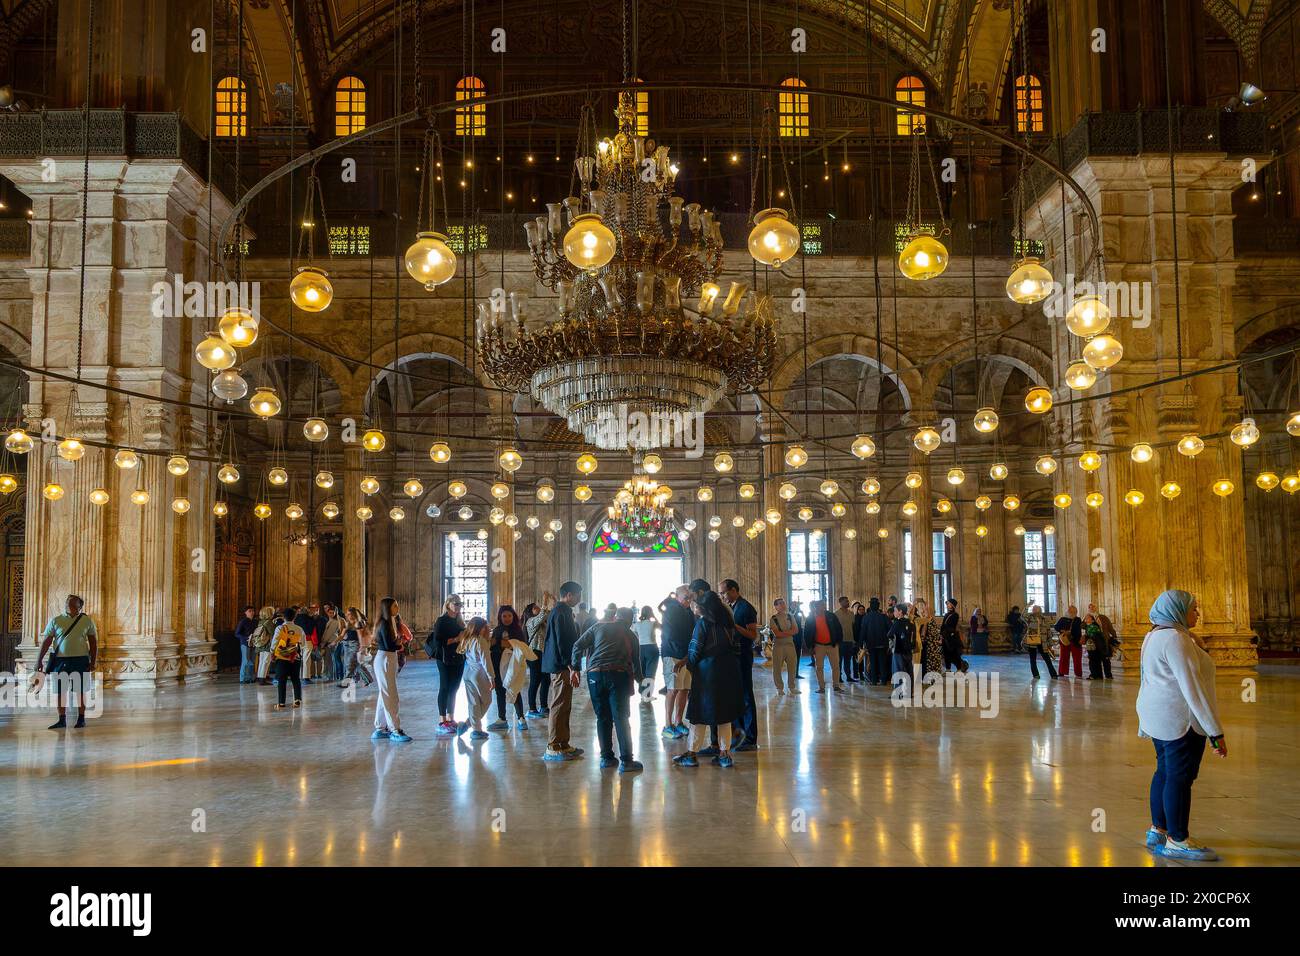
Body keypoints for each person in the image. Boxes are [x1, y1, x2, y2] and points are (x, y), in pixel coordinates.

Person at [1136, 590, 1226, 862]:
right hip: (1180, 720)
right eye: (1193, 609)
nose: (1197, 613)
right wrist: (1215, 732)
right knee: (1179, 777)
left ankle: (1159, 830)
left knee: (1164, 771)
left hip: (1159, 716)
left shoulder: (1154, 635)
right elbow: (1193, 689)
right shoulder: (1176, 639)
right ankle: (1178, 839)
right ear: (1177, 610)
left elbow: (1148, 679)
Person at [672, 589, 743, 768]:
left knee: (699, 714)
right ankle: (724, 755)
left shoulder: (703, 624)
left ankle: (691, 754)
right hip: (728, 671)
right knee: (724, 714)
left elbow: (695, 650)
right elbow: (737, 649)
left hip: (707, 674)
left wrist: (691, 667)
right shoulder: (728, 623)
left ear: (705, 608)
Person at [572, 605, 644, 771]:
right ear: (630, 619)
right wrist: (642, 682)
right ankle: (626, 761)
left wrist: (575, 668)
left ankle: (606, 758)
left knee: (603, 717)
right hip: (617, 676)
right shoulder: (630, 634)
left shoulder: (598, 626)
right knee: (621, 718)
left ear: (615, 616)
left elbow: (577, 645)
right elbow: (636, 662)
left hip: (594, 676)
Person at [35, 594, 99, 730]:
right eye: (67, 602)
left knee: (80, 690)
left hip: (81, 660)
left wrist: (93, 661)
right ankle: (61, 720)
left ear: (79, 607)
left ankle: (81, 719)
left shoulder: (87, 621)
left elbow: (93, 643)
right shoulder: (56, 620)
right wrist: (39, 660)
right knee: (60, 690)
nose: (68, 604)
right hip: (60, 660)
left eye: (72, 602)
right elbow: (46, 642)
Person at [540, 581, 585, 761]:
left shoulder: (562, 611)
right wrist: (571, 665)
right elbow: (562, 641)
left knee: (565, 704)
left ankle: (563, 743)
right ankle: (553, 746)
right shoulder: (561, 611)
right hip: (561, 666)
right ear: (569, 595)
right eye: (578, 595)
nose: (580, 599)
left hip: (563, 664)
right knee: (559, 704)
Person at [719, 579, 759, 751]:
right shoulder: (731, 607)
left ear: (734, 590)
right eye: (720, 593)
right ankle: (739, 735)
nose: (722, 596)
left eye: (724, 593)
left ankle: (750, 738)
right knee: (736, 697)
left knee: (746, 696)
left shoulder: (746, 608)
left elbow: (752, 635)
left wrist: (734, 626)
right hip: (732, 657)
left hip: (743, 656)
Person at [370, 597, 411, 743]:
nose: (397, 608)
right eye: (395, 606)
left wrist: (399, 642)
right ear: (388, 608)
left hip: (390, 658)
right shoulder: (384, 624)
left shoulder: (392, 621)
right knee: (391, 696)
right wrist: (400, 644)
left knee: (385, 694)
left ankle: (380, 728)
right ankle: (395, 729)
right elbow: (389, 645)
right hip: (385, 659)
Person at [658, 586, 694, 738]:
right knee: (672, 689)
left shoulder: (687, 611)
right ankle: (668, 725)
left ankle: (678, 722)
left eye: (690, 598)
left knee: (684, 689)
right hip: (673, 653)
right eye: (686, 597)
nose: (688, 600)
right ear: (678, 597)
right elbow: (676, 633)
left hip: (686, 655)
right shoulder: (672, 610)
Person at [428, 596, 465, 734]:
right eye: (456, 604)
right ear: (448, 604)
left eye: (460, 604)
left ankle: (451, 718)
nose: (458, 606)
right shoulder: (441, 621)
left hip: (459, 657)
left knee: (454, 689)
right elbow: (438, 643)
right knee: (444, 687)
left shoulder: (460, 622)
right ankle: (442, 720)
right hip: (445, 658)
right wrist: (456, 639)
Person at [455, 616, 495, 740]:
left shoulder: (467, 639)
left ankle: (476, 729)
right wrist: (492, 677)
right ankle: (469, 725)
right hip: (479, 673)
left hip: (468, 672)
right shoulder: (480, 641)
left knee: (473, 703)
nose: (487, 629)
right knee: (487, 701)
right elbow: (486, 661)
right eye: (485, 627)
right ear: (480, 628)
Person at [488, 605, 527, 731]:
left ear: (513, 616)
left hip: (512, 664)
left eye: (509, 615)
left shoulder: (517, 630)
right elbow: (492, 646)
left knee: (514, 688)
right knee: (499, 690)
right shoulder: (497, 629)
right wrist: (501, 644)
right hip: (497, 663)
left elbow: (522, 646)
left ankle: (521, 718)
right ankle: (502, 718)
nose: (507, 618)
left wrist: (504, 644)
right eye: (504, 616)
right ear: (500, 617)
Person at [803, 599, 844, 694]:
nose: (822, 607)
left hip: (832, 645)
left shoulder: (831, 616)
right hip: (818, 646)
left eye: (823, 605)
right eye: (820, 606)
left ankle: (836, 686)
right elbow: (807, 633)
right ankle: (821, 687)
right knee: (819, 667)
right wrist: (810, 647)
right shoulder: (810, 618)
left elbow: (839, 629)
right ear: (815, 607)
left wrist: (838, 642)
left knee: (835, 666)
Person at [270, 608, 306, 710]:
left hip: (282, 657)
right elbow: (302, 643)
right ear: (295, 617)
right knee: (295, 679)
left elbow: (275, 641)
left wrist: (272, 652)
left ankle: (281, 703)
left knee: (282, 680)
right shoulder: (299, 629)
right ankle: (297, 700)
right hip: (295, 657)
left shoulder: (280, 628)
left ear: (283, 617)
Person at [523, 597, 552, 718]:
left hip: (543, 653)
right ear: (530, 611)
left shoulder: (543, 622)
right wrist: (545, 601)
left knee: (546, 679)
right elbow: (541, 616)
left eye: (538, 606)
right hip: (534, 653)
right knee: (535, 681)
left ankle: (544, 706)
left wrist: (553, 604)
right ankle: (532, 709)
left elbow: (547, 616)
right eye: (535, 607)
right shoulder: (530, 621)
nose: (538, 608)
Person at [768, 597, 800, 695]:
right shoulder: (773, 618)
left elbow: (796, 630)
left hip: (790, 645)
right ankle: (779, 688)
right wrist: (789, 632)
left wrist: (785, 632)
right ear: (776, 607)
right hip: (778, 645)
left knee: (792, 667)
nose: (783, 605)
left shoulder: (790, 616)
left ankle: (792, 687)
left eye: (784, 603)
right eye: (780, 603)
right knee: (777, 667)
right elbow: (777, 634)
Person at [858, 597, 891, 685]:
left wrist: (860, 643)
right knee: (882, 663)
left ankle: (874, 681)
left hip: (871, 644)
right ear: (878, 606)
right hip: (883, 643)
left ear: (870, 606)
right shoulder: (884, 617)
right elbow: (890, 628)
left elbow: (863, 631)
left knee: (873, 662)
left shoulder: (866, 617)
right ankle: (883, 681)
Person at [338, 606, 373, 687]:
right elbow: (343, 634)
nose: (347, 615)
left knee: (351, 664)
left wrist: (362, 647)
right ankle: (367, 679)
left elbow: (361, 635)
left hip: (356, 645)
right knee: (355, 664)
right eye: (347, 614)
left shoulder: (359, 623)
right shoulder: (349, 623)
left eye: (349, 613)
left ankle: (346, 683)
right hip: (349, 645)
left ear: (354, 614)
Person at [631, 605, 659, 702]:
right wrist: (654, 616)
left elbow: (635, 636)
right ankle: (647, 695)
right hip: (652, 648)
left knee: (641, 671)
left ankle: (642, 691)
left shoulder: (637, 624)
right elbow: (662, 627)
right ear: (650, 613)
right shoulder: (653, 623)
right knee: (650, 672)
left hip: (640, 648)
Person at [1024, 604, 1057, 679]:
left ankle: (1053, 674)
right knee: (1033, 659)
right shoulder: (1030, 618)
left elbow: (1048, 631)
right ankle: (1035, 674)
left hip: (1043, 641)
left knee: (1047, 659)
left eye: (1035, 608)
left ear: (1039, 610)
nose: (1034, 610)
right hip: (1033, 641)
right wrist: (1028, 606)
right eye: (1033, 609)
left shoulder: (1044, 619)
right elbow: (1023, 616)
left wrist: (1050, 643)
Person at [887, 603, 916, 684]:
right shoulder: (910, 623)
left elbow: (889, 634)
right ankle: (909, 692)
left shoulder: (897, 623)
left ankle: (899, 693)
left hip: (898, 650)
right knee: (908, 671)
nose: (894, 613)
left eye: (895, 611)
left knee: (898, 672)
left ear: (900, 612)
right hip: (908, 651)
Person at [916, 598, 944, 678]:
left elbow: (924, 633)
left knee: (930, 660)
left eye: (924, 611)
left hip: (930, 644)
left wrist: (921, 638)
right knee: (934, 660)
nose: (923, 612)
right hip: (934, 643)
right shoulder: (932, 619)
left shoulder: (927, 620)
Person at [1089, 601, 1118, 678]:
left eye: (1093, 607)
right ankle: (1097, 675)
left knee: (1106, 659)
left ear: (1096, 608)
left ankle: (1108, 675)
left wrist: (1114, 637)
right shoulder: (1087, 618)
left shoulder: (1103, 617)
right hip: (1093, 642)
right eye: (1090, 607)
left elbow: (1110, 628)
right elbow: (1082, 626)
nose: (1092, 608)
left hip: (1104, 641)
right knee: (1094, 660)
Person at [833, 596, 859, 684]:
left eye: (848, 601)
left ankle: (848, 676)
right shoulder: (836, 614)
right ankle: (839, 676)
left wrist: (854, 640)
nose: (848, 603)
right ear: (840, 603)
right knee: (839, 660)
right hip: (840, 641)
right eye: (846, 601)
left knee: (848, 660)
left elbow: (854, 627)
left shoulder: (851, 614)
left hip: (849, 640)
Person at [1054, 605, 1083, 678]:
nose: (1073, 613)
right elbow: (1056, 627)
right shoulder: (1062, 619)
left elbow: (1077, 630)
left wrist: (1069, 632)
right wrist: (1062, 630)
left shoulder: (1078, 619)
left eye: (1074, 612)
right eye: (1071, 611)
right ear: (1068, 611)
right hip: (1065, 641)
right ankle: (1061, 672)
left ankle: (1078, 673)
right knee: (1063, 657)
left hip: (1075, 641)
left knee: (1077, 658)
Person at [294, 605, 320, 683]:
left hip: (297, 641)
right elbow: (313, 633)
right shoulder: (310, 619)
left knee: (298, 659)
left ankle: (298, 676)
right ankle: (306, 678)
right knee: (306, 660)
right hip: (307, 640)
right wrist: (315, 643)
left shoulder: (295, 619)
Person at [940, 598, 968, 672]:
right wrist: (941, 634)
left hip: (951, 638)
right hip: (945, 636)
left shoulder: (955, 615)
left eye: (948, 604)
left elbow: (952, 626)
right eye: (947, 604)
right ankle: (948, 669)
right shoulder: (946, 614)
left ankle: (959, 669)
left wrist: (946, 632)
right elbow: (943, 625)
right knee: (946, 654)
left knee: (954, 654)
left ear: (952, 605)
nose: (947, 605)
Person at [319, 604, 343, 681]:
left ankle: (331, 677)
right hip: (329, 642)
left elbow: (329, 633)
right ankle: (331, 676)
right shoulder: (330, 620)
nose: (331, 614)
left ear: (336, 612)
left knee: (330, 661)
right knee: (330, 660)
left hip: (330, 642)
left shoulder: (335, 621)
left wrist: (323, 642)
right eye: (330, 612)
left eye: (333, 612)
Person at [235, 605, 258, 683]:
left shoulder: (255, 621)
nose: (252, 612)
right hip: (245, 644)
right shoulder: (243, 621)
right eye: (249, 611)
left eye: (253, 611)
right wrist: (246, 638)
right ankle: (243, 678)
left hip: (254, 644)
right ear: (245, 612)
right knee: (245, 661)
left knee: (252, 661)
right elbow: (237, 634)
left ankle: (250, 678)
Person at [789, 600, 807, 676]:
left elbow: (804, 623)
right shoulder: (788, 615)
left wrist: (802, 613)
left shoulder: (799, 614)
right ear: (790, 606)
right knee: (790, 656)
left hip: (798, 638)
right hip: (790, 638)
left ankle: (796, 673)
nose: (795, 606)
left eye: (796, 605)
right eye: (793, 605)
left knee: (798, 655)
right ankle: (791, 672)